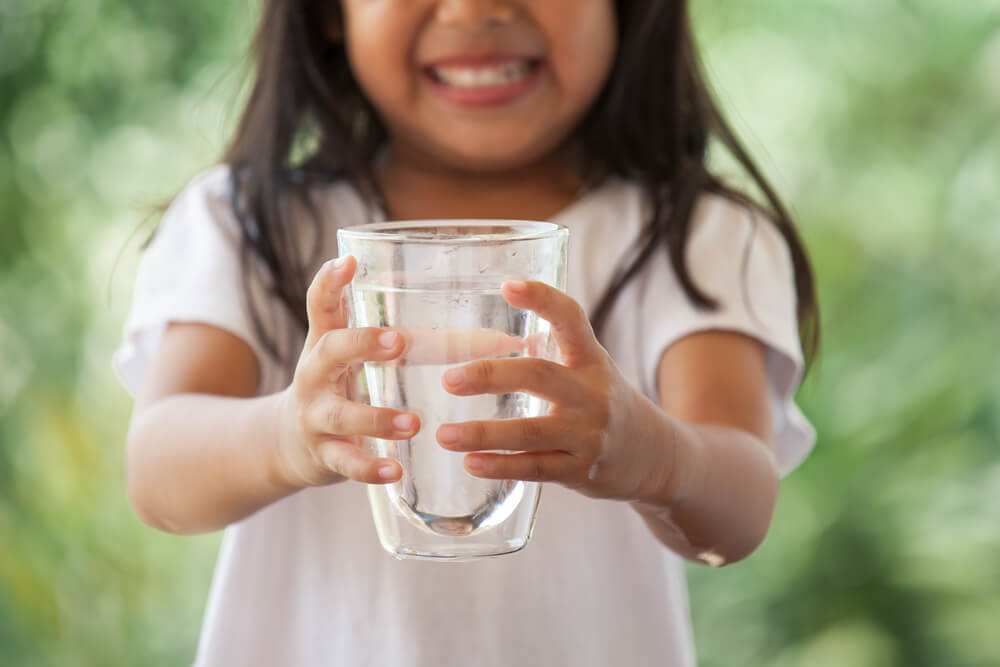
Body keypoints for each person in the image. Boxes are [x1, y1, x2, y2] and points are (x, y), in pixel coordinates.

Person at [114, 1, 819, 665]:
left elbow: (740, 504)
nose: (477, 10)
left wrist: (655, 455)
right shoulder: (245, 222)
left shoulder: (697, 235)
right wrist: (289, 435)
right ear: (330, 10)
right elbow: (157, 468)